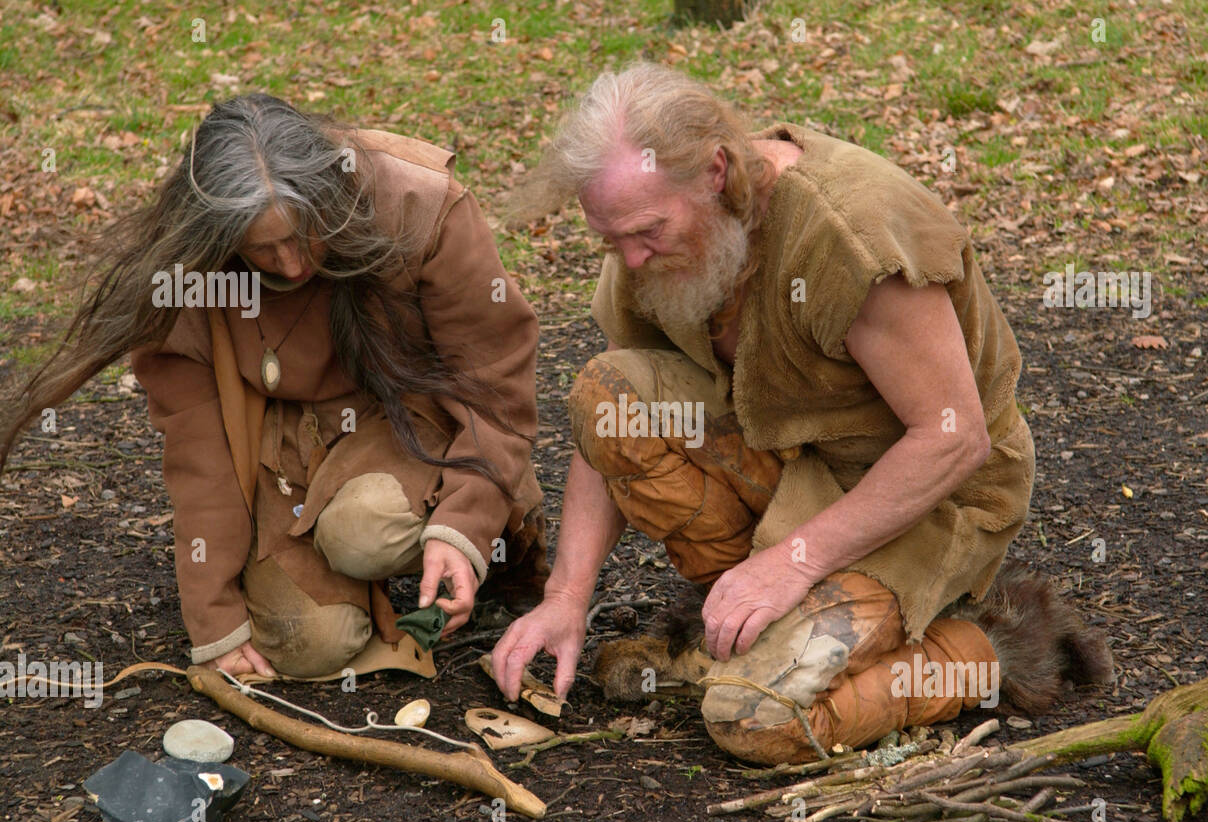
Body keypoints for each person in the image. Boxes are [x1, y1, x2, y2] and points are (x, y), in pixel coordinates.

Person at [492, 64, 1111, 765]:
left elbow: (954, 437)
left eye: (645, 232)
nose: (631, 257)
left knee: (757, 719)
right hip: (786, 458)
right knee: (608, 394)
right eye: (611, 240)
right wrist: (566, 595)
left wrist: (795, 559)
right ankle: (757, 621)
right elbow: (612, 413)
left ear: (717, 172)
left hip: (930, 493)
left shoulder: (848, 236)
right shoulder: (649, 236)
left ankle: (987, 649)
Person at [0, 94, 547, 679]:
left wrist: (464, 525)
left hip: (406, 417)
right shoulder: (191, 271)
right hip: (283, 452)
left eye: (303, 235)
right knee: (307, 647)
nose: (290, 266)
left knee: (363, 535)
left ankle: (500, 514)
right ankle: (370, 583)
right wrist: (214, 620)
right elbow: (199, 452)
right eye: (262, 248)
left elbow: (493, 380)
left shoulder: (416, 205)